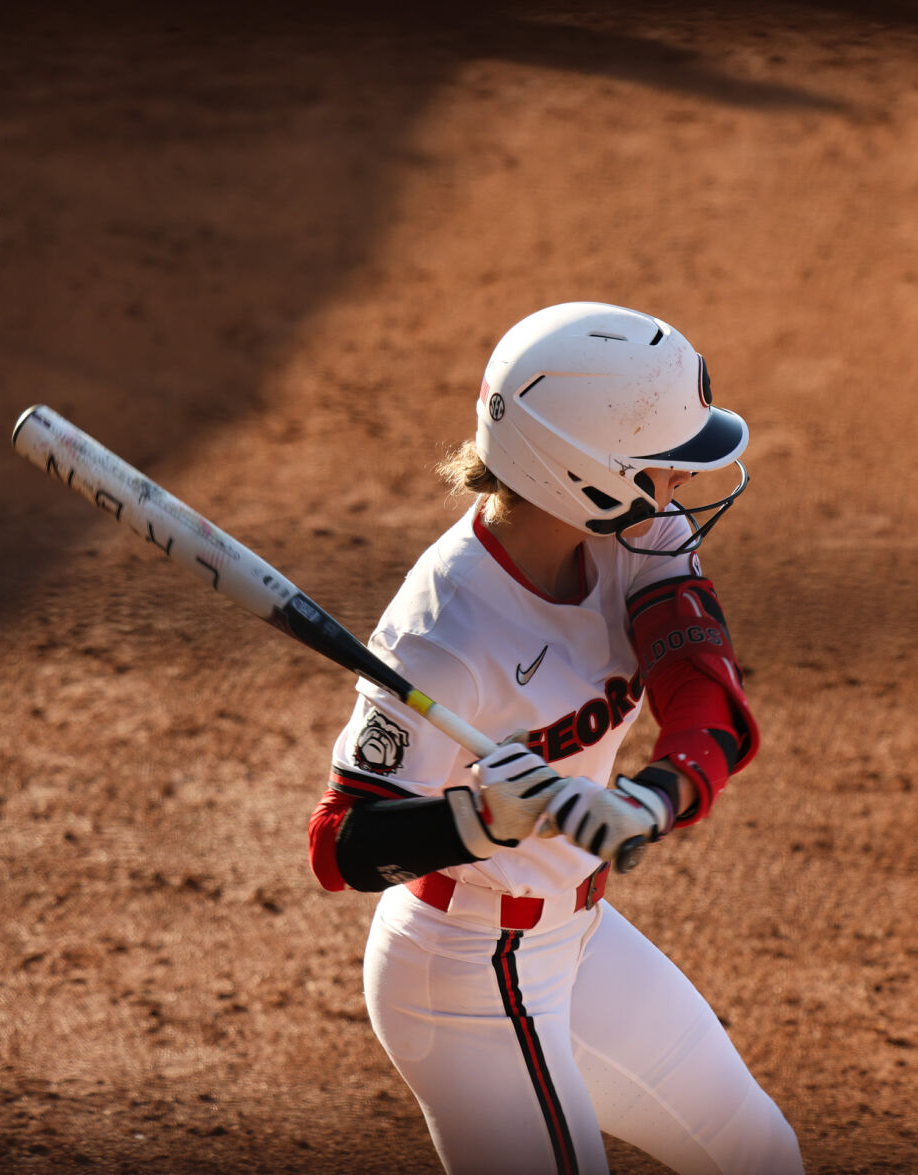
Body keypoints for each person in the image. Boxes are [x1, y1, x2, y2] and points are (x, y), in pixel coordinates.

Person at [305, 302, 803, 1175]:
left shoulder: (636, 535)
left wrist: (649, 798)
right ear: (587, 472)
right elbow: (340, 846)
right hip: (461, 974)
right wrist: (477, 820)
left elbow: (704, 694)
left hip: (574, 937)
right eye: (660, 465)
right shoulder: (443, 632)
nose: (678, 484)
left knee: (758, 1153)